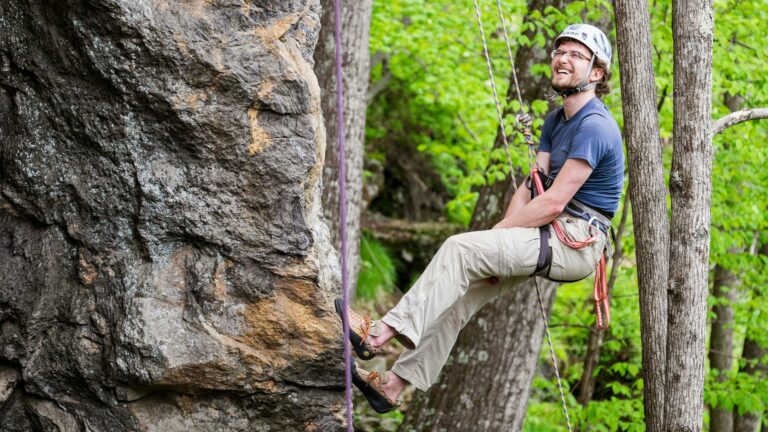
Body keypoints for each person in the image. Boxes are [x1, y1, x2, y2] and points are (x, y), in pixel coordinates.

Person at [336, 23, 624, 414]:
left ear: (596, 73)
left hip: (574, 241)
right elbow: (529, 187)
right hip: (549, 233)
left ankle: (379, 333)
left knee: (458, 248)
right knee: (459, 298)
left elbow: (554, 202)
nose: (563, 58)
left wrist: (497, 238)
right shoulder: (557, 121)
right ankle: (392, 386)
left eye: (576, 54)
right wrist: (495, 244)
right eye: (561, 51)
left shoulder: (595, 126)